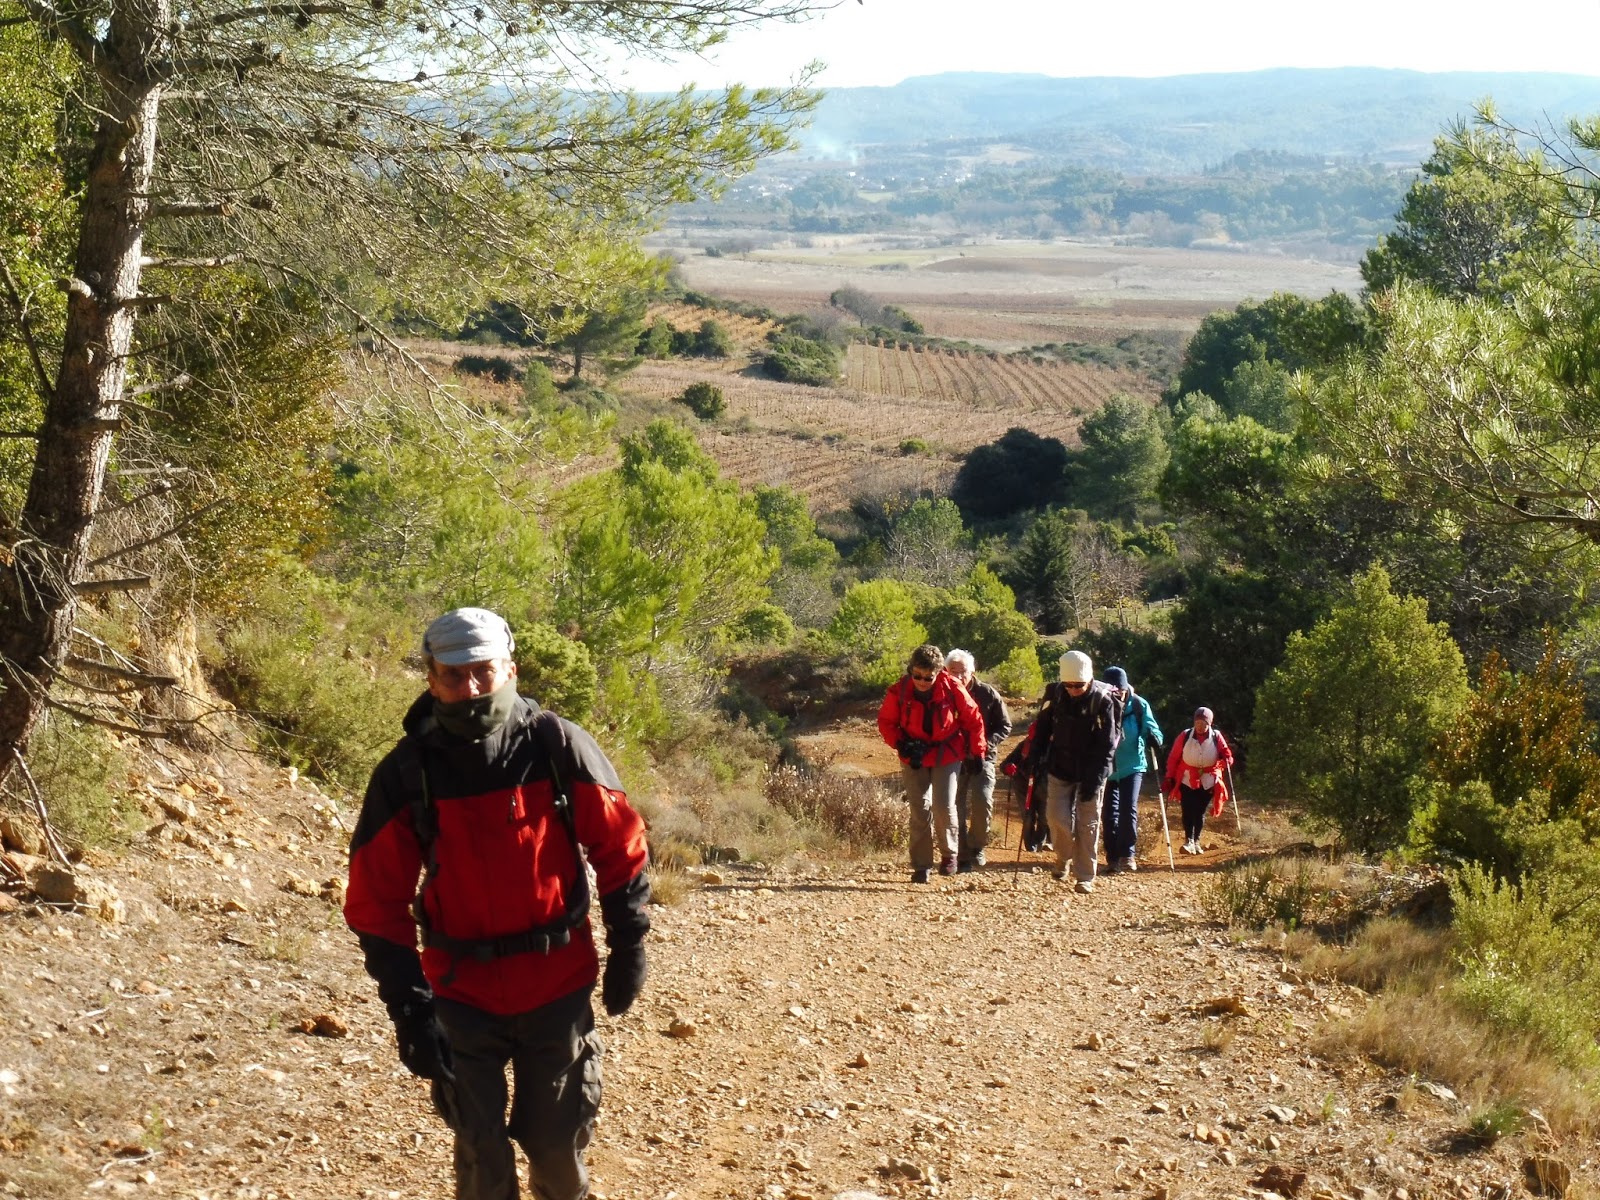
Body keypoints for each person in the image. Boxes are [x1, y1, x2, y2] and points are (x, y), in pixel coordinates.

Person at [344, 607, 651, 1200]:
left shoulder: (555, 746)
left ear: (509, 667)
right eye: (454, 676)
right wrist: (410, 1011)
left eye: (483, 671)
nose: (471, 688)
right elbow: (373, 901)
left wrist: (630, 942)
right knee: (482, 1157)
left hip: (555, 987)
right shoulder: (407, 772)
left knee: (559, 1149)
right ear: (431, 678)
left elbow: (621, 843)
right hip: (460, 995)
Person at [878, 643, 987, 883]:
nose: (922, 681)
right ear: (911, 670)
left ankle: (949, 855)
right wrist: (899, 743)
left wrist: (977, 752)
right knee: (919, 808)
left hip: (947, 751)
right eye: (917, 675)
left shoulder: (952, 687)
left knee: (944, 805)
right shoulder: (899, 690)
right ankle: (921, 865)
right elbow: (886, 722)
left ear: (939, 673)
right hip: (913, 754)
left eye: (928, 677)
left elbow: (973, 719)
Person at [1033, 650, 1121, 893]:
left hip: (1092, 769)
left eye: (1078, 685)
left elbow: (1108, 744)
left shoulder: (1103, 700)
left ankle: (1084, 876)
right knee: (1055, 817)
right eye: (1069, 684)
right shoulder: (1055, 693)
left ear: (1089, 679)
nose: (1073, 689)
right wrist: (1034, 757)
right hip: (1059, 765)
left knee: (1088, 822)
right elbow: (1042, 727)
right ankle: (1063, 857)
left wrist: (1095, 780)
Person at [944, 649, 1012, 872]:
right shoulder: (943, 693)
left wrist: (985, 746)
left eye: (962, 671)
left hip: (983, 758)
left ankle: (977, 846)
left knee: (982, 802)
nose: (958, 676)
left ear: (972, 671)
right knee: (955, 808)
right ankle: (962, 855)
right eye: (952, 671)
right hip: (953, 758)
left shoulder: (987, 693)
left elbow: (1005, 726)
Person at [1100, 666, 1163, 874]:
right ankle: (1113, 858)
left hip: (1133, 766)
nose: (1119, 693)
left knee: (1128, 809)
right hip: (1107, 768)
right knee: (1109, 814)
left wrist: (1155, 737)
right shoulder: (1100, 704)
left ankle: (1128, 854)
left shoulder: (1138, 705)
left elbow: (1152, 728)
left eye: (1121, 689)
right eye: (1114, 690)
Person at [1162, 706, 1235, 855]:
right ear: (1194, 722)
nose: (1200, 726)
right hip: (1187, 778)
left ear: (1210, 724)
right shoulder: (1185, 736)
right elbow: (1174, 757)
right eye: (1198, 723)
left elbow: (1226, 752)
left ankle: (1196, 841)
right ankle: (1188, 840)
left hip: (1208, 779)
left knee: (1200, 811)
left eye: (1204, 723)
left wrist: (1227, 758)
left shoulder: (1216, 736)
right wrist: (1169, 776)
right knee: (1188, 808)